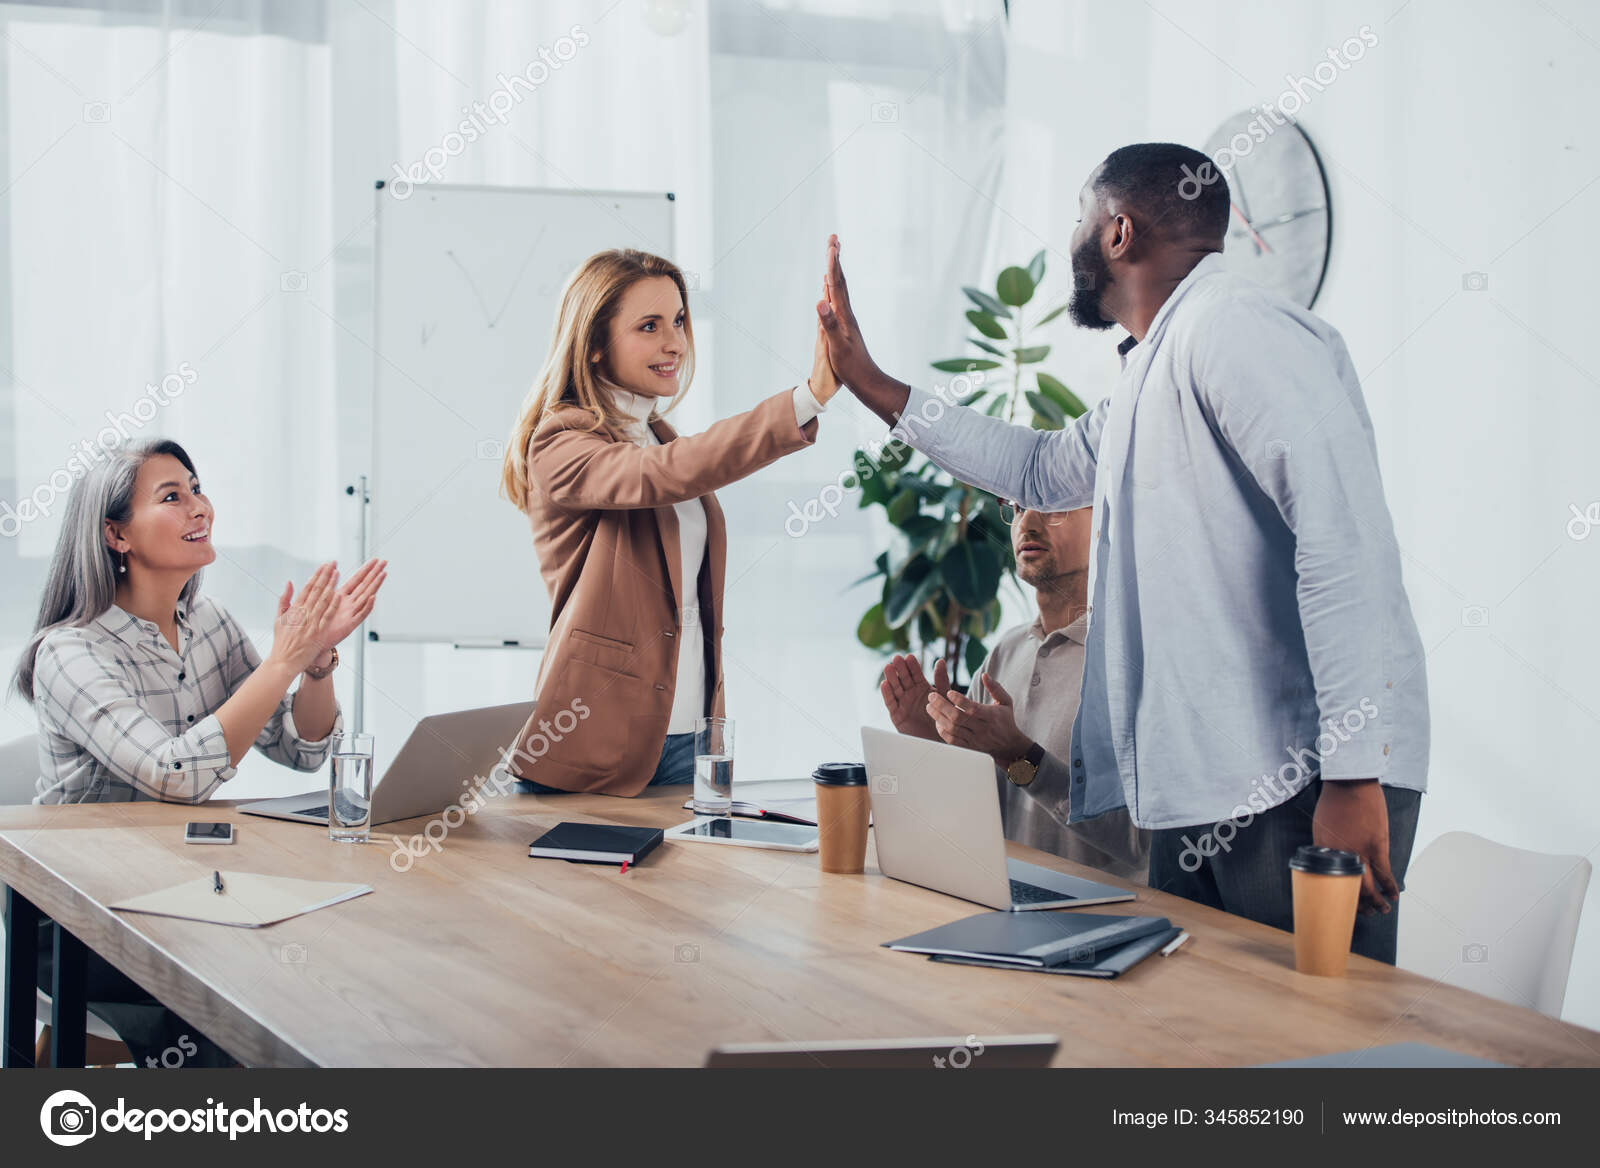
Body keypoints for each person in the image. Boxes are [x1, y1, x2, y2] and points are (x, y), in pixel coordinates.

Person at [818, 142, 1428, 964]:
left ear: (1117, 232)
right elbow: (1035, 466)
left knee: (1315, 1049)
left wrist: (1354, 778)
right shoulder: (1155, 367)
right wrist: (869, 381)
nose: (1072, 233)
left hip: (1299, 779)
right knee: (1198, 1043)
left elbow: (1342, 545)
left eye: (1079, 215)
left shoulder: (1234, 328)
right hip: (1199, 785)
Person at [9, 436, 386, 1065]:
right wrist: (283, 660)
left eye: (197, 488)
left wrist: (314, 665)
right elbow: (174, 774)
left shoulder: (209, 624)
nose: (199, 507)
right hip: (85, 907)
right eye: (171, 497)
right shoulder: (71, 653)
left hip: (184, 885)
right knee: (251, 1009)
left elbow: (301, 750)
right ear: (116, 535)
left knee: (329, 968)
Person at [499, 249, 838, 795]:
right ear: (592, 347)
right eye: (649, 326)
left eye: (679, 320)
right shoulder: (560, 442)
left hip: (690, 740)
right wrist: (808, 397)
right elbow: (664, 475)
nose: (674, 342)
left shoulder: (658, 434)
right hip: (592, 742)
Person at [878, 502, 1148, 881]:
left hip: (1112, 921)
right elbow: (977, 816)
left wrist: (1021, 757)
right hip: (1008, 903)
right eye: (1018, 508)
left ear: (1106, 522)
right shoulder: (1006, 652)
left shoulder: (1137, 659)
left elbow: (1144, 840)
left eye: (1054, 506)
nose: (1028, 523)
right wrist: (932, 740)